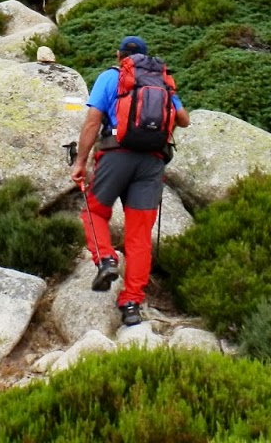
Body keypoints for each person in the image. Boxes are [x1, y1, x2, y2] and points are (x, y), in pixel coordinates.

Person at [70, 35, 189, 326]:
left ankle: (107, 260)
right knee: (139, 237)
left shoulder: (112, 78)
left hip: (116, 156)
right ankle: (132, 303)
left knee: (94, 211)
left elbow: (92, 121)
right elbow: (184, 119)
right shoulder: (160, 81)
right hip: (151, 162)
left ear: (119, 55)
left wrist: (81, 161)